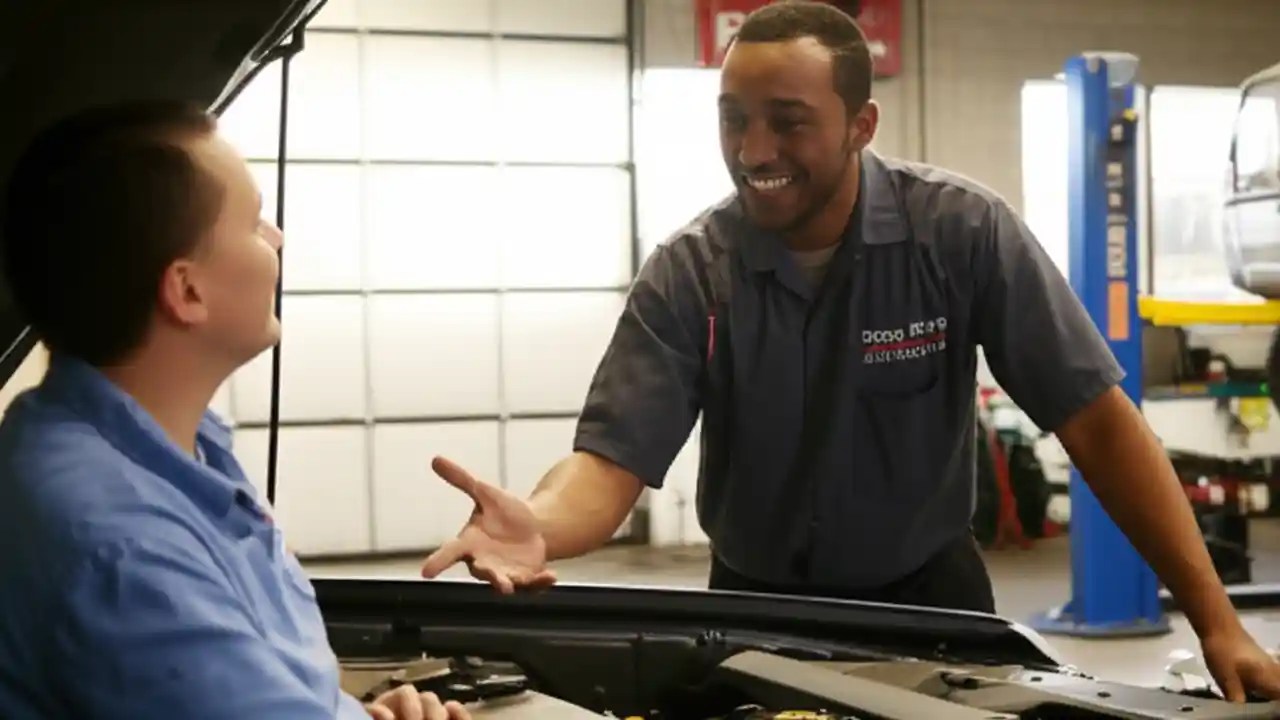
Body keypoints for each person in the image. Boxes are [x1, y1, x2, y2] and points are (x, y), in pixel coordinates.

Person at [421, 0, 1280, 704]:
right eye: (735, 122)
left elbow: (1101, 428)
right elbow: (606, 466)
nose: (754, 152)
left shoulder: (961, 234)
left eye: (788, 124)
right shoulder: (693, 273)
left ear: (861, 122)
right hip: (754, 609)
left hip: (932, 605)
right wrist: (541, 523)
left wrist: (1217, 621)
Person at [0, 102, 470, 720]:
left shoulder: (159, 446)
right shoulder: (121, 549)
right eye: (253, 223)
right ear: (186, 289)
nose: (276, 240)